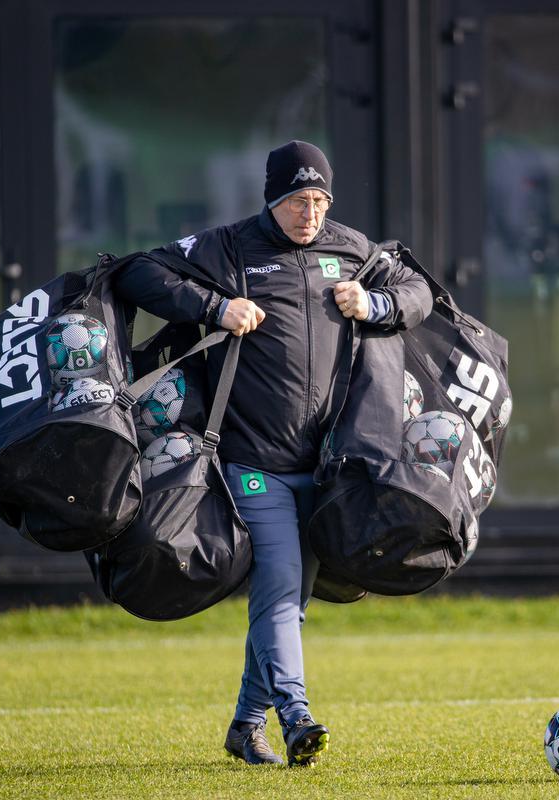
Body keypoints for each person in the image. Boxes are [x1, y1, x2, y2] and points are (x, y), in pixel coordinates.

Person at [114, 141, 432, 767]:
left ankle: (244, 726)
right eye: (296, 201)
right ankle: (296, 716)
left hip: (326, 468)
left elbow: (417, 290)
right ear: (272, 198)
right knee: (282, 585)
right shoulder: (231, 246)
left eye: (318, 201)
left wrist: (377, 305)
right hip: (254, 463)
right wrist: (215, 307)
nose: (308, 213)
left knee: (287, 603)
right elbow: (138, 271)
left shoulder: (350, 249)